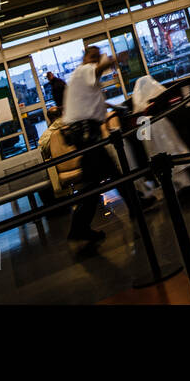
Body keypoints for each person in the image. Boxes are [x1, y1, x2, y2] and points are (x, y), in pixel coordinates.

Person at [61, 45, 152, 243]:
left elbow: (93, 104)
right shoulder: (84, 70)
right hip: (85, 132)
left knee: (99, 178)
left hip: (83, 132)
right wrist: (114, 60)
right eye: (92, 56)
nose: (95, 60)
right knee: (103, 177)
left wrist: (114, 106)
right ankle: (134, 205)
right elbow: (96, 70)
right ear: (84, 58)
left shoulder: (84, 79)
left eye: (97, 56)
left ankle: (82, 227)